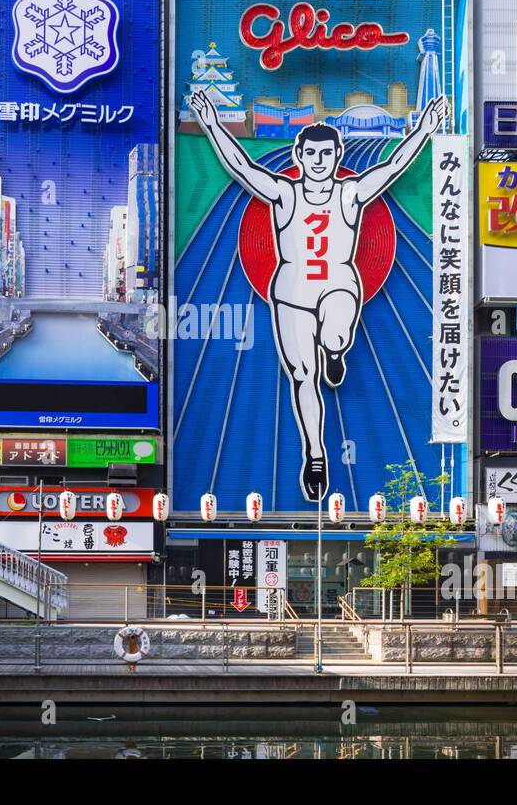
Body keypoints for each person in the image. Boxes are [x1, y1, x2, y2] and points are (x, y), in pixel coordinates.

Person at [191, 90, 447, 501]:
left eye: (326, 154)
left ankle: (335, 351)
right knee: (302, 376)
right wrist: (211, 123)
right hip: (291, 294)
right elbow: (240, 166)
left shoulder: (350, 194)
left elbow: (394, 164)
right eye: (311, 154)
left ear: (336, 155)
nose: (319, 161)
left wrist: (425, 128)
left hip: (338, 286)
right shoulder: (283, 194)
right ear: (299, 155)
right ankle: (315, 452)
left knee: (335, 334)